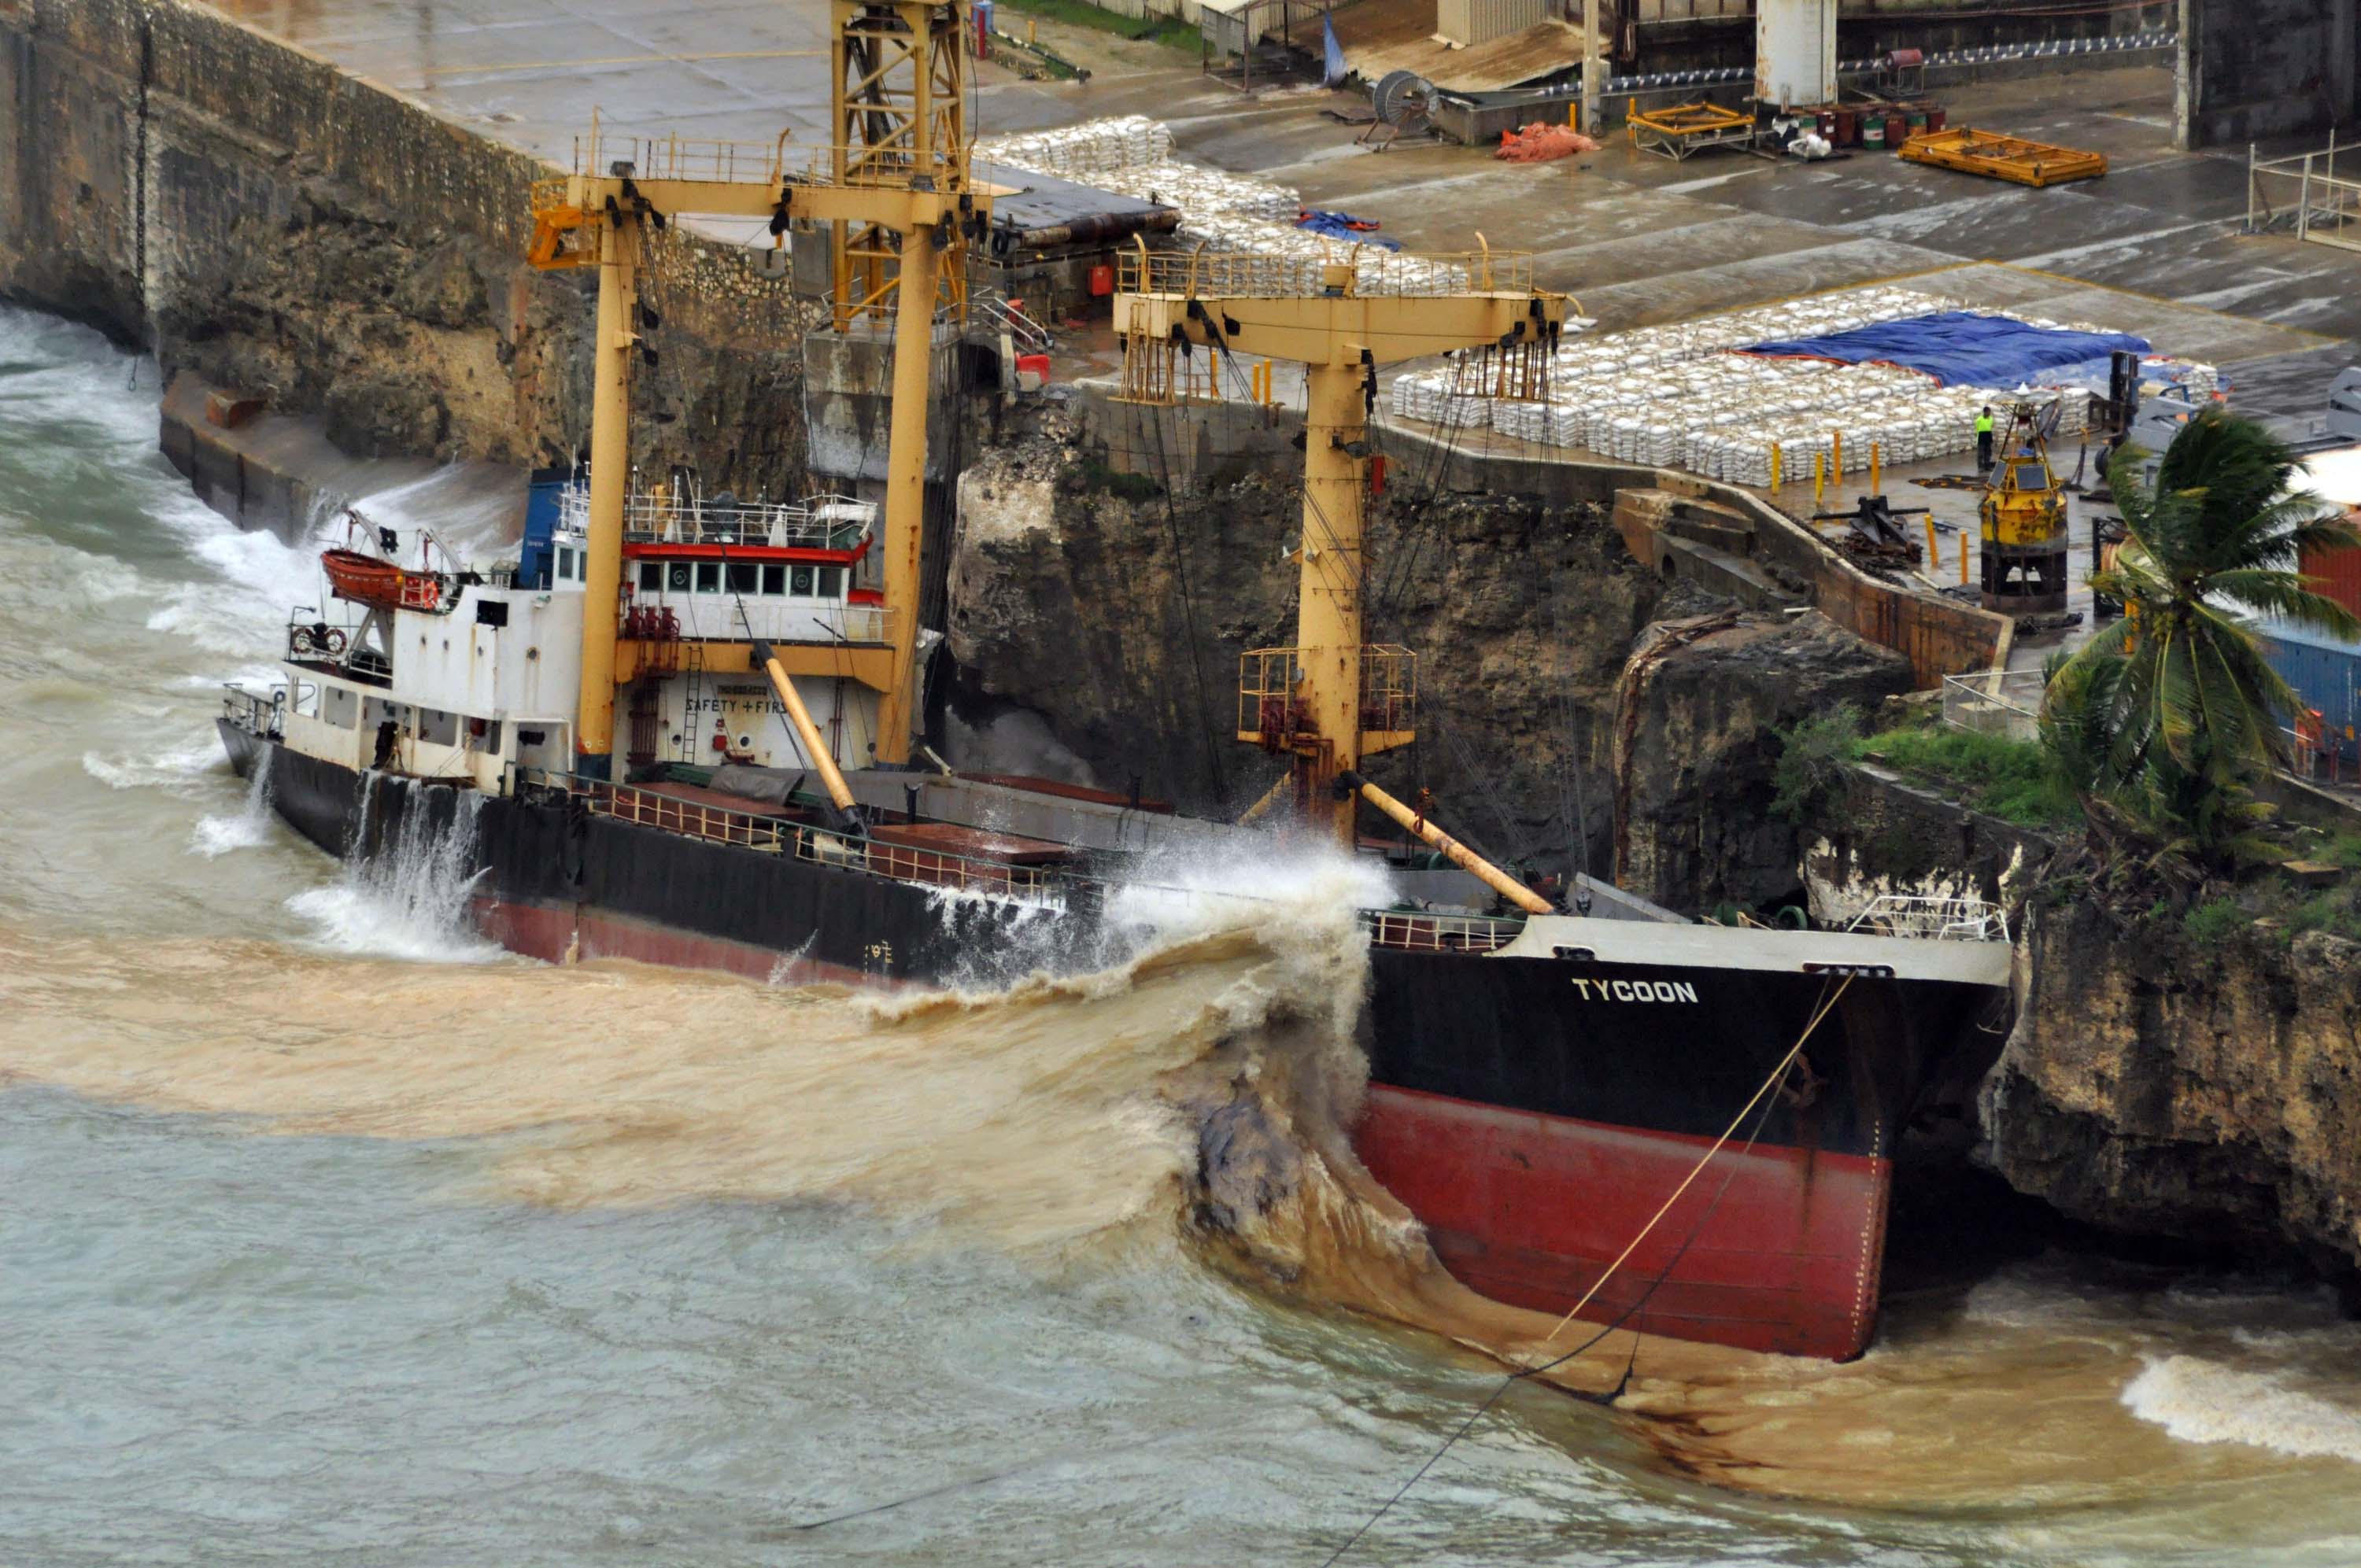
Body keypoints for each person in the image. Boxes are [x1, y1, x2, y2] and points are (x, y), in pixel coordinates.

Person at [1975, 406, 1996, 473]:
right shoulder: (1979, 420)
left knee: (1988, 452)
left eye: (1990, 412)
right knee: (1980, 453)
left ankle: (1987, 466)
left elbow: (1991, 426)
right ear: (1984, 412)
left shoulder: (1991, 419)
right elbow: (1977, 428)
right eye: (1988, 412)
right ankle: (1980, 467)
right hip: (1981, 436)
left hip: (1988, 435)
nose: (1989, 413)